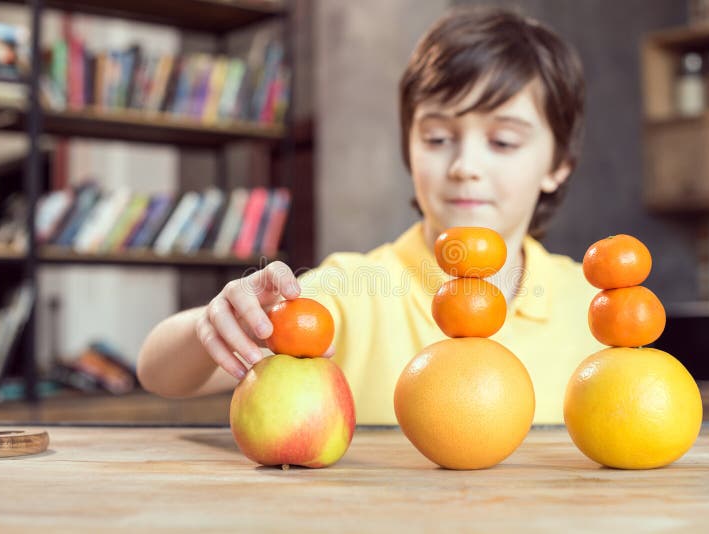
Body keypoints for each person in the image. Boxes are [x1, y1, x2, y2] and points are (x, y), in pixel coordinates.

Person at [137, 5, 603, 424]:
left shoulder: (594, 303)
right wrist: (215, 322)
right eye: (438, 139)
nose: (465, 168)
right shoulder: (350, 290)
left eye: (503, 142)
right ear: (409, 148)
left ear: (559, 163)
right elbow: (160, 374)